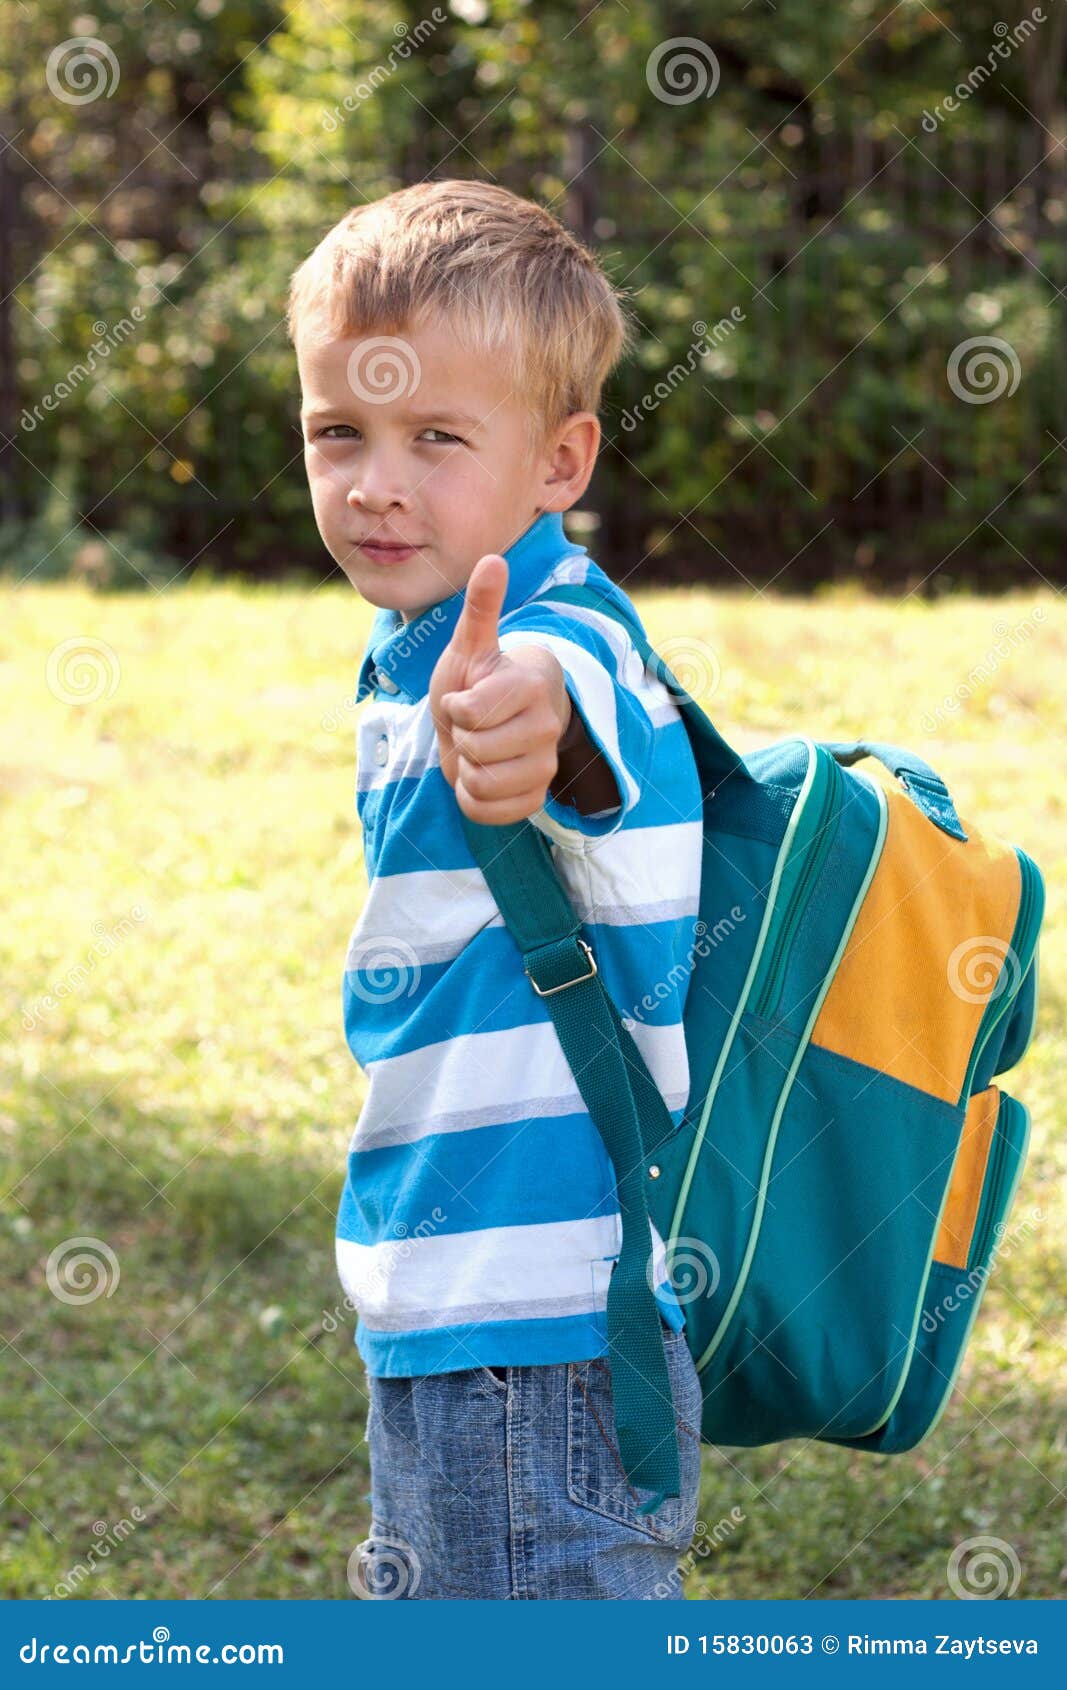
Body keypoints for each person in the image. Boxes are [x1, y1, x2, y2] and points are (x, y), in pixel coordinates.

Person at [287, 178, 704, 1599]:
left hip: (539, 1325)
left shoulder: (561, 642)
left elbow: (572, 722)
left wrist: (524, 721)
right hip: (456, 1295)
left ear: (561, 460)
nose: (376, 481)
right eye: (340, 431)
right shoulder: (416, 645)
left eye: (436, 439)